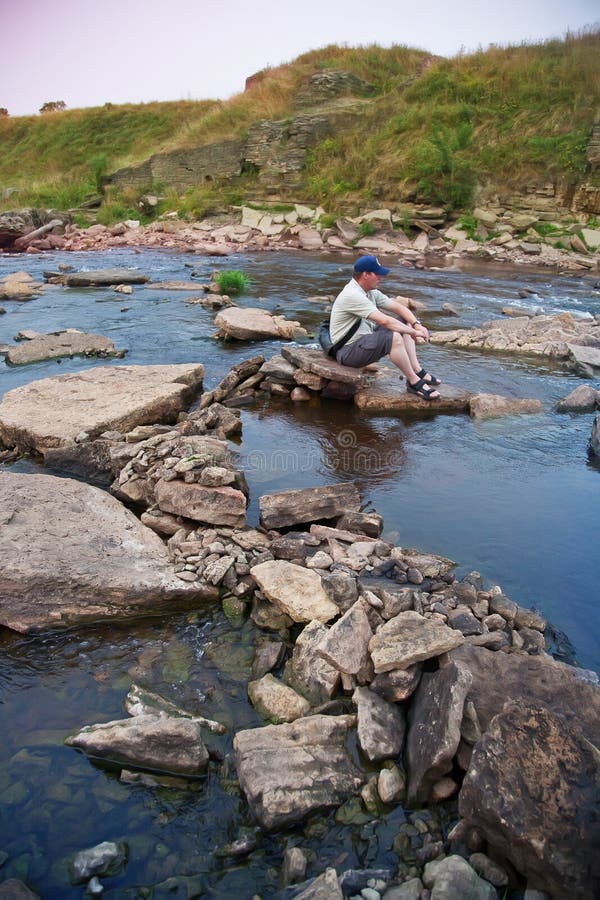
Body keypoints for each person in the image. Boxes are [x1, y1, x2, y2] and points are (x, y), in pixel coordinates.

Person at [329, 255, 441, 400]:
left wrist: (416, 324)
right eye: (377, 273)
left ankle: (416, 370)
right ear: (365, 275)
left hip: (363, 342)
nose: (381, 277)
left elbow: (399, 308)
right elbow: (385, 322)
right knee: (393, 336)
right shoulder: (352, 294)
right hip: (347, 352)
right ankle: (414, 382)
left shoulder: (370, 291)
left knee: (404, 321)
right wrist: (414, 332)